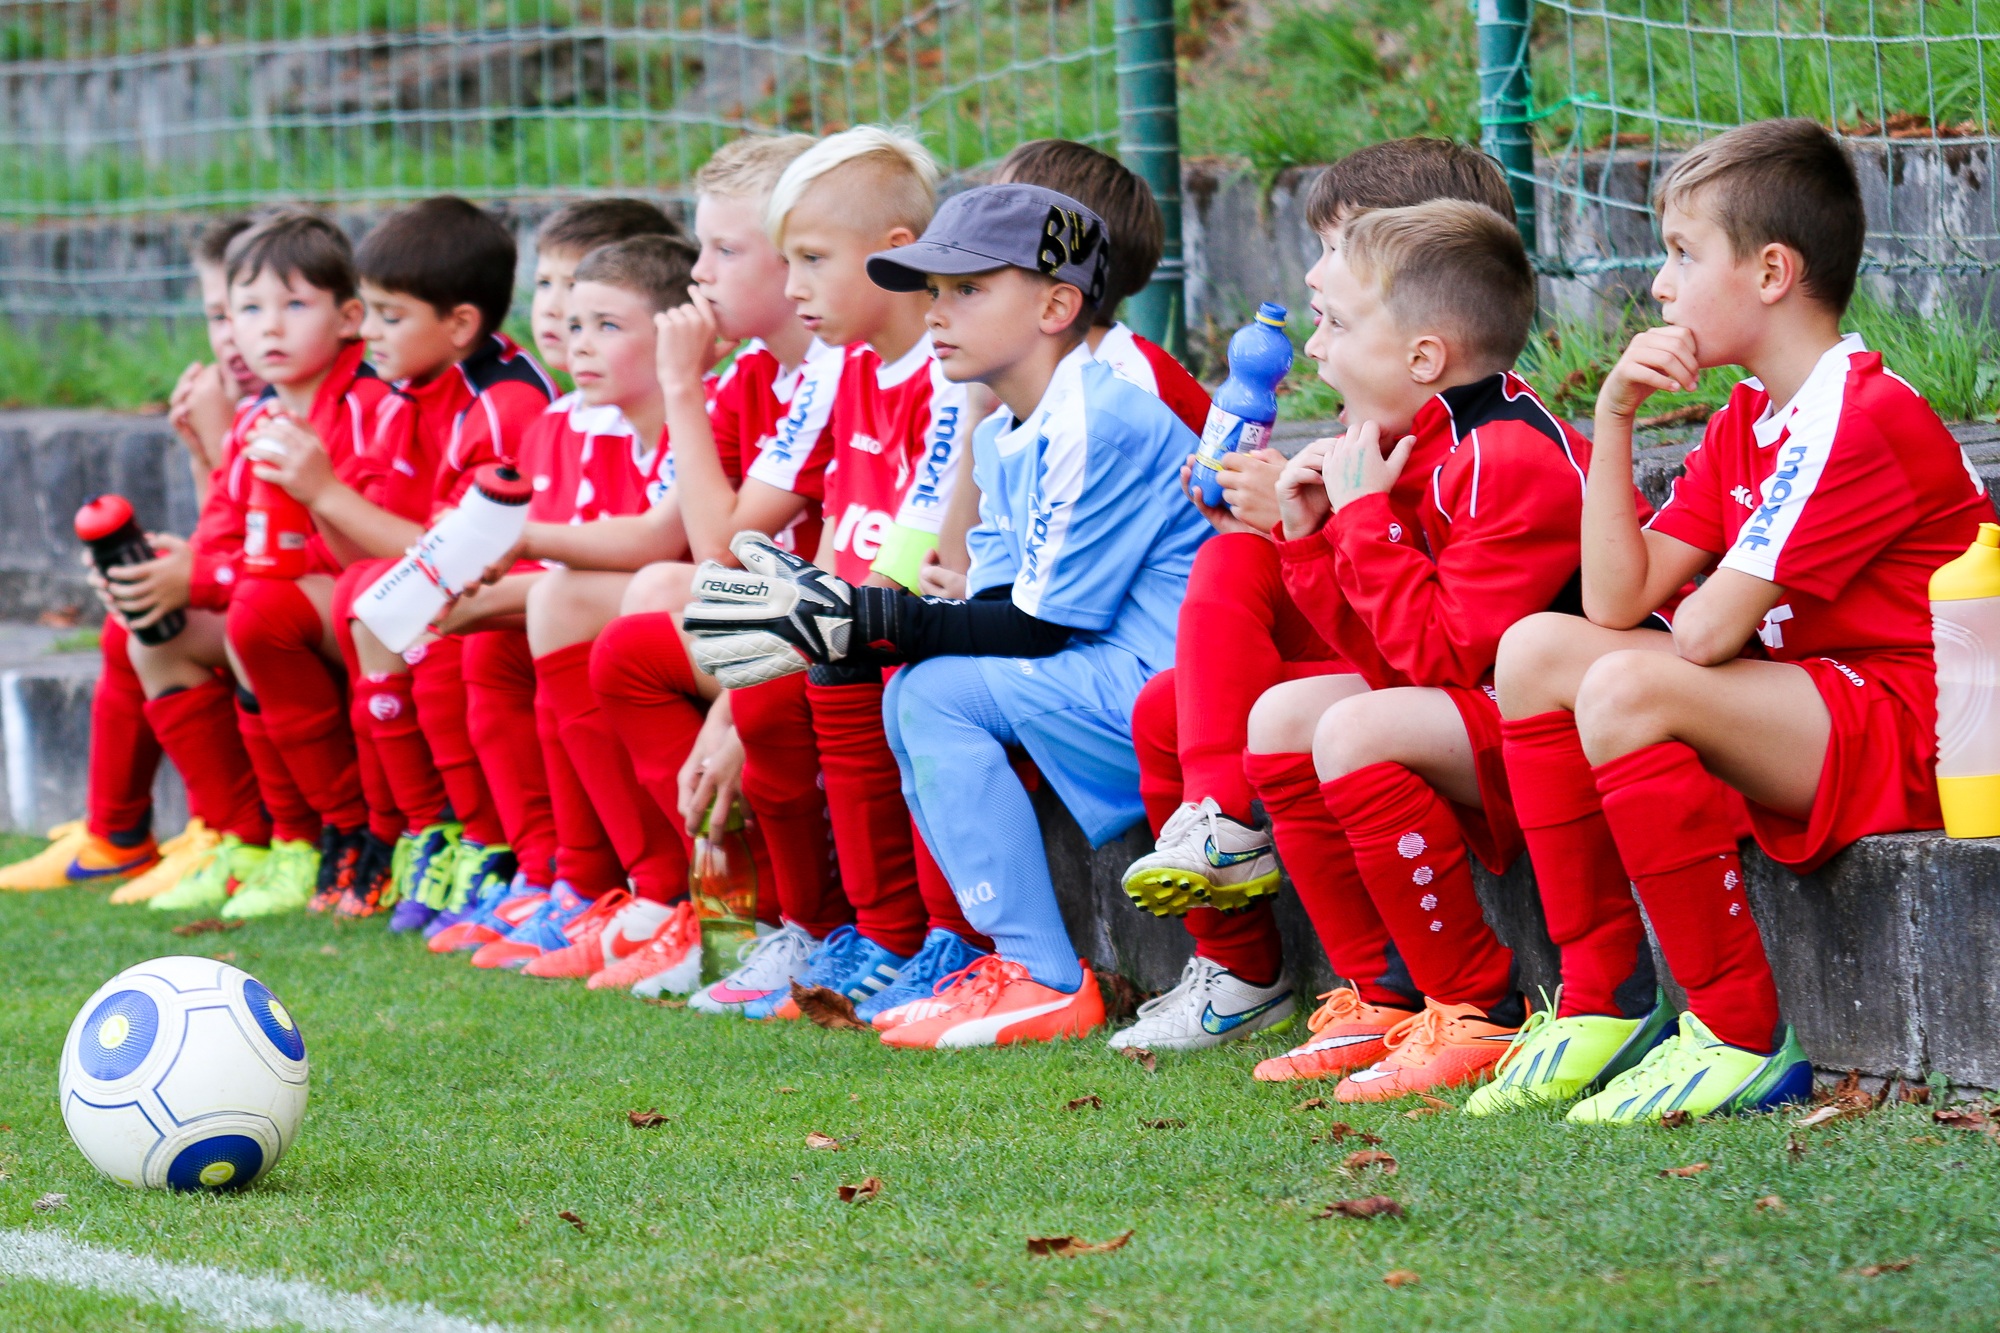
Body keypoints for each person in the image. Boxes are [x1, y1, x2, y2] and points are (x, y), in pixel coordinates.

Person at [1471, 119, 1989, 1122]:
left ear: (1770, 273)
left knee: (1628, 684)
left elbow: (1703, 637)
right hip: (1819, 708)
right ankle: (1602, 1000)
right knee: (1533, 652)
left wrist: (1672, 646)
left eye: (1680, 253)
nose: (1659, 286)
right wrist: (1614, 414)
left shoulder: (1853, 415)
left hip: (1922, 729)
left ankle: (1737, 1034)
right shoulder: (1749, 414)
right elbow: (1614, 599)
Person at [683, 183, 1212, 1049]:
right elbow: (994, 603)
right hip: (1106, 673)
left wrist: (873, 618)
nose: (935, 312)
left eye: (968, 290)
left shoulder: (1096, 416)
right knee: (916, 685)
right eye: (932, 290)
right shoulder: (1006, 428)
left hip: (1172, 694)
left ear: (1056, 306)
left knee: (932, 689)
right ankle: (1003, 959)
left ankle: (1042, 974)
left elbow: (1038, 626)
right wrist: (872, 621)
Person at [1112, 139, 1525, 1057]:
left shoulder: (1490, 443)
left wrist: (1320, 525)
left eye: (1339, 251)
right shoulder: (1384, 415)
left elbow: (1430, 642)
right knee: (1167, 705)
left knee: (1257, 633)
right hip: (1411, 663)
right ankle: (1249, 967)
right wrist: (1288, 526)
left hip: (1480, 698)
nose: (1312, 277)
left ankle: (1445, 995)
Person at [1243, 199, 1599, 1101]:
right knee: (1283, 716)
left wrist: (1364, 519)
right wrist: (1312, 538)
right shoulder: (1417, 442)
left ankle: (1476, 1004)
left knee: (1355, 731)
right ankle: (1384, 993)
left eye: (1335, 324)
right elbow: (1388, 662)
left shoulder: (1504, 455)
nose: (1314, 348)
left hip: (1574, 737)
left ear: (1424, 357)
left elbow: (1437, 664)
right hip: (1486, 710)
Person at [241, 197, 553, 918]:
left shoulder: (502, 403)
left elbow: (454, 560)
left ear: (460, 325)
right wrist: (315, 494)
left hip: (509, 597)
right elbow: (366, 547)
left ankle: (478, 842)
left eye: (390, 315)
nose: (369, 332)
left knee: (401, 613)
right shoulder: (398, 394)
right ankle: (397, 835)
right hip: (439, 590)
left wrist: (324, 489)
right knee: (346, 594)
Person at [427, 198, 687, 958]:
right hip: (636, 614)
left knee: (554, 608)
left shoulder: (697, 409)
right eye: (554, 297)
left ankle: (649, 887)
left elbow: (658, 544)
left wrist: (509, 559)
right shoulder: (562, 421)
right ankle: (554, 875)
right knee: (494, 633)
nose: (570, 331)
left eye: (601, 318)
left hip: (720, 620)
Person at [0, 214, 269, 896]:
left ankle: (229, 836)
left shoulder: (296, 408)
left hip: (310, 612)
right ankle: (116, 834)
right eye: (219, 315)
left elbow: (279, 552)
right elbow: (226, 534)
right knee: (135, 615)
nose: (232, 335)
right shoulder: (243, 403)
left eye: (249, 311)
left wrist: (212, 461)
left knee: (160, 627)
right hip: (265, 592)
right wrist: (201, 462)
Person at [142, 210, 396, 916]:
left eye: (295, 305)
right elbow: (226, 533)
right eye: (249, 310)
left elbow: (359, 548)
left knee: (258, 611)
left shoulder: (372, 403)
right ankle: (253, 842)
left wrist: (207, 576)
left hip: (370, 607)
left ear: (349, 318)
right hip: (293, 607)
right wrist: (174, 568)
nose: (269, 328)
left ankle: (349, 832)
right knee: (154, 631)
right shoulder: (257, 417)